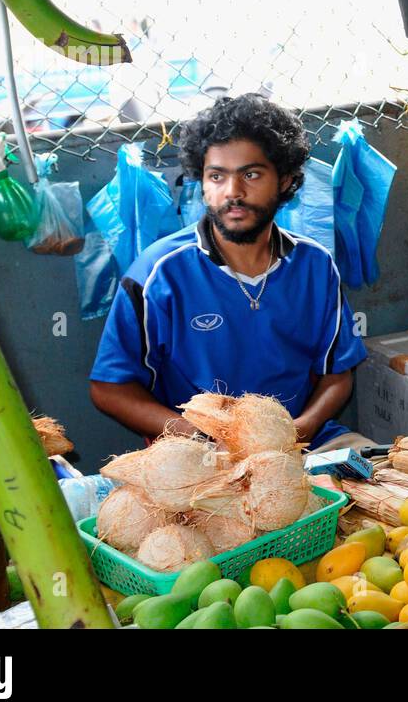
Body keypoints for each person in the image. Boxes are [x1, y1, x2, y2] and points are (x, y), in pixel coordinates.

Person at [89, 94, 372, 452]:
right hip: (198, 454)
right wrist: (202, 437)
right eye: (217, 176)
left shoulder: (315, 266)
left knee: (385, 480)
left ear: (284, 180)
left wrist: (300, 430)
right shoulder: (158, 274)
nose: (233, 192)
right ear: (202, 183)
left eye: (251, 175)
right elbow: (108, 388)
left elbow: (337, 375)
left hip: (302, 444)